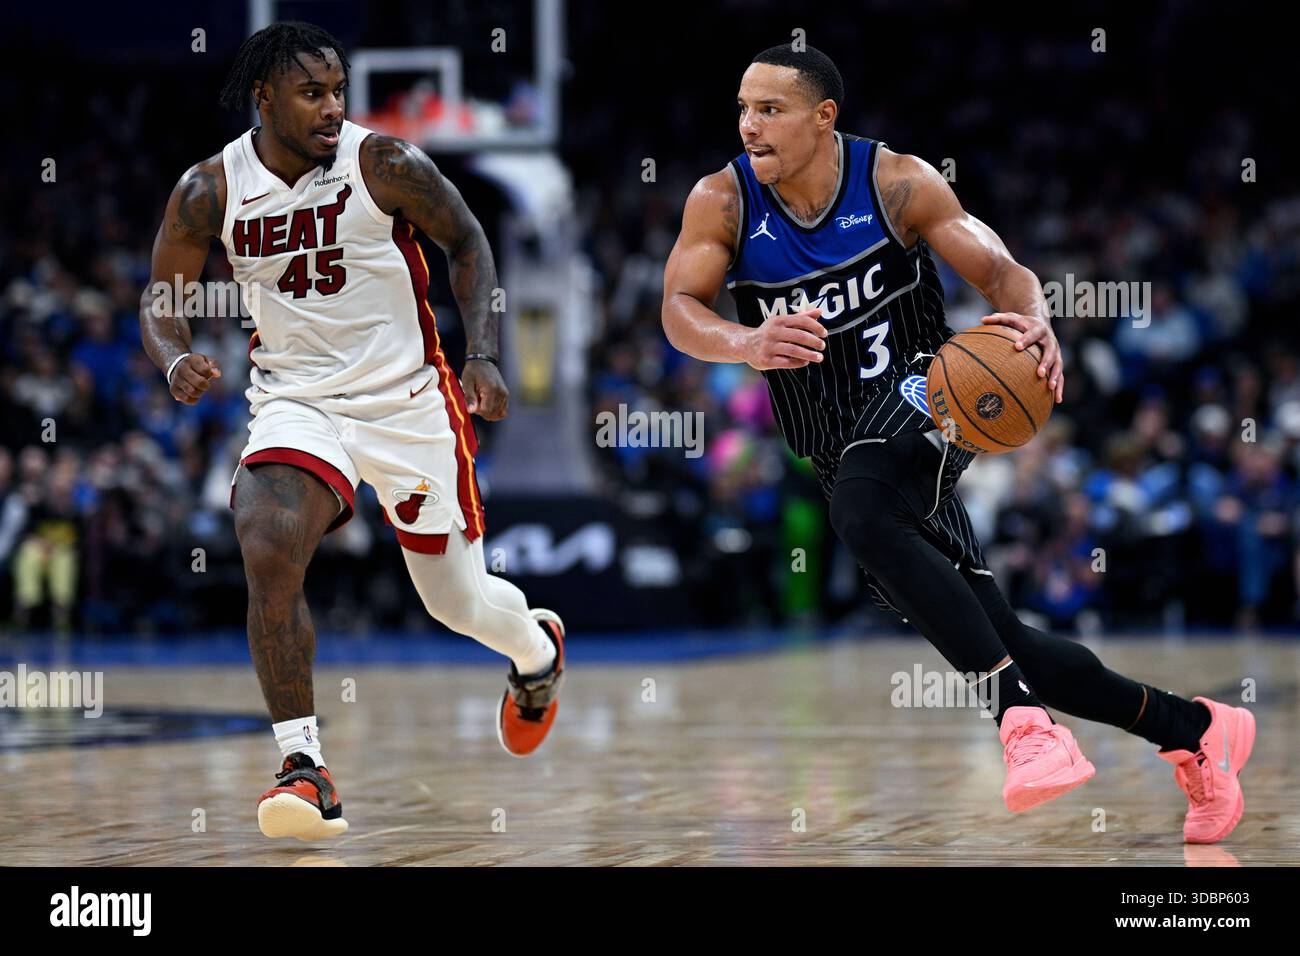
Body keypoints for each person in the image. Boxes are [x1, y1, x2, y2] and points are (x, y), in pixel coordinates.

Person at [661, 44, 1254, 843]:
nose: (748, 126)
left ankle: (1023, 726)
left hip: (927, 397)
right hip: (835, 445)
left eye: (769, 109)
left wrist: (1036, 320)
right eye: (742, 108)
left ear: (823, 117)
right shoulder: (721, 201)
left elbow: (1005, 274)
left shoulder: (898, 181)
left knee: (863, 516)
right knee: (1012, 643)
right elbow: (678, 308)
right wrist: (743, 344)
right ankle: (1197, 731)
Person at [139, 21, 566, 841]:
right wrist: (172, 359)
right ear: (264, 99)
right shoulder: (209, 189)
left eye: (338, 91)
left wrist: (482, 353)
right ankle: (304, 768)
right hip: (297, 397)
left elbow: (467, 240)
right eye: (313, 93)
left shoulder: (384, 164)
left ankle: (537, 652)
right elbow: (162, 300)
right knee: (264, 531)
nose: (333, 107)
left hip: (408, 401)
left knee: (457, 605)